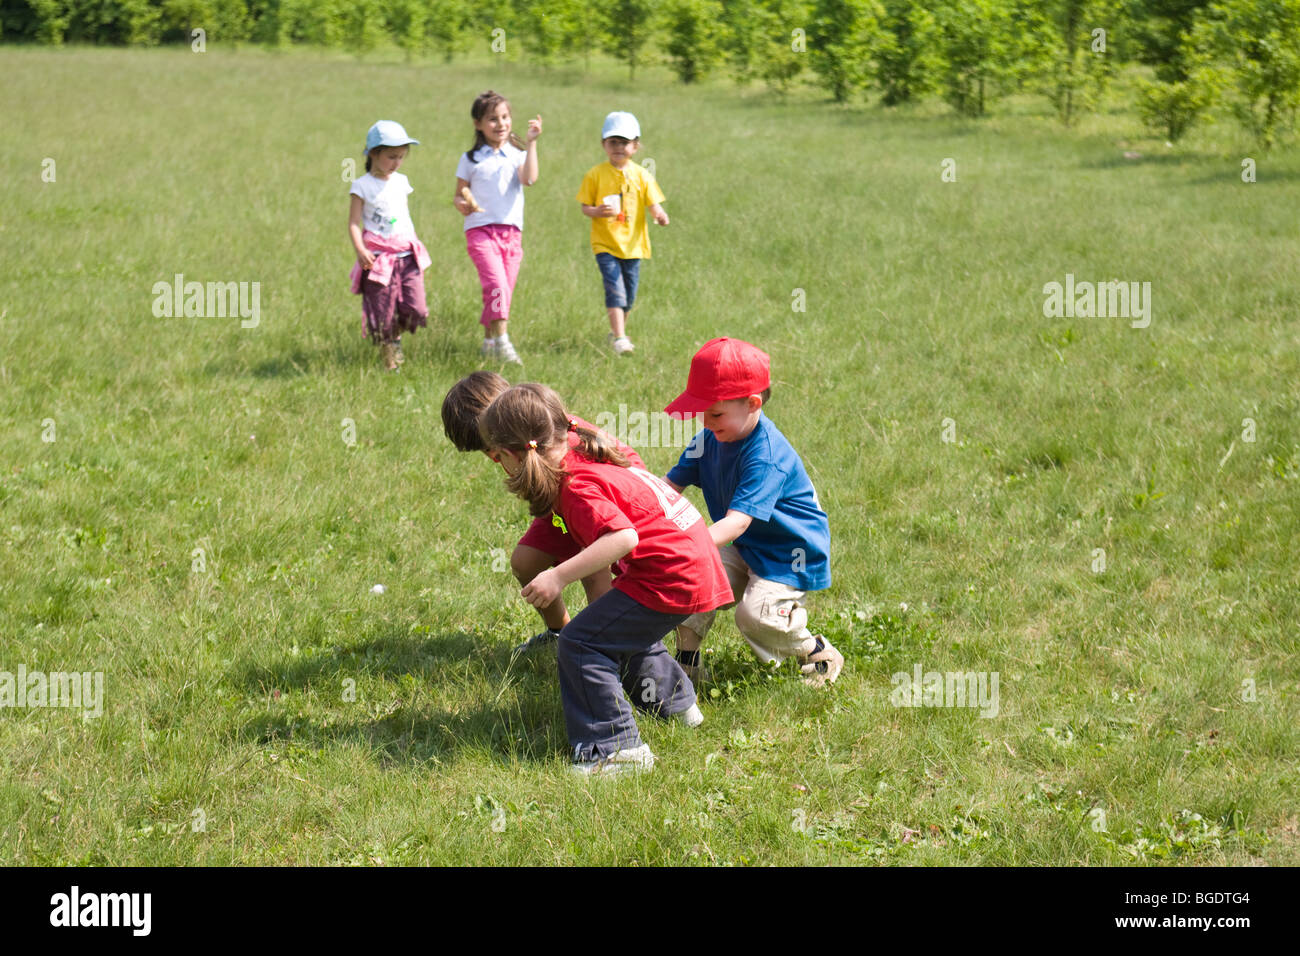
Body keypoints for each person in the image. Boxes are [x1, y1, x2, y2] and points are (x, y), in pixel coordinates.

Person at [478, 383, 731, 775]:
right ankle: (678, 706)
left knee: (581, 643)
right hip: (690, 564)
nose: (499, 466)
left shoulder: (575, 486)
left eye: (498, 459)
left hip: (671, 574)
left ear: (513, 455)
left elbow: (622, 536)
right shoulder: (582, 448)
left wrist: (557, 576)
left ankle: (615, 750)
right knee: (619, 630)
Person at [663, 338, 844, 687]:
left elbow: (737, 522)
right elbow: (669, 488)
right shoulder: (709, 438)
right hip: (748, 545)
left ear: (752, 403)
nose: (707, 422)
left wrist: (685, 541)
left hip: (789, 553)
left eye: (715, 413)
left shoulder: (766, 454)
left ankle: (817, 651)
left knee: (755, 616)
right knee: (692, 579)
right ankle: (686, 665)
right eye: (702, 412)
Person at [440, 371, 647, 652]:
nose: (492, 457)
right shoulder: (522, 440)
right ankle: (559, 632)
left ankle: (611, 651)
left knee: (592, 573)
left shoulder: (554, 440)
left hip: (600, 503)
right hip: (563, 504)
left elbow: (598, 489)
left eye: (492, 447)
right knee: (524, 562)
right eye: (486, 451)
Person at [453, 91, 542, 365]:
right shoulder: (471, 158)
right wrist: (462, 203)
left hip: (512, 233)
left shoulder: (517, 154)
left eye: (505, 117)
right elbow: (459, 193)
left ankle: (489, 341)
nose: (501, 123)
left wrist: (531, 144)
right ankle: (503, 342)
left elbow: (530, 179)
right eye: (492, 119)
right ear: (478, 124)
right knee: (497, 285)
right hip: (480, 230)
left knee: (502, 290)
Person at [575, 111, 668, 356]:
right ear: (604, 144)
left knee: (629, 295)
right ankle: (620, 337)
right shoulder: (595, 174)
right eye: (613, 142)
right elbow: (585, 207)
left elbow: (653, 202)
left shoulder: (642, 175)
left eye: (624, 142)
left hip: (634, 245)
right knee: (614, 289)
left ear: (635, 146)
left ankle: (617, 333)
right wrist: (597, 211)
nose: (618, 147)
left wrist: (659, 214)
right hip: (605, 244)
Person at [348, 120, 432, 371]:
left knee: (415, 308)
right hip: (378, 259)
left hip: (407, 255)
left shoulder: (401, 181)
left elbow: (402, 216)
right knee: (383, 312)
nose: (397, 162)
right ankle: (390, 357)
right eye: (391, 156)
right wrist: (361, 250)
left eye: (401, 157)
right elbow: (353, 223)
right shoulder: (361, 186)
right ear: (374, 153)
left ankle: (395, 338)